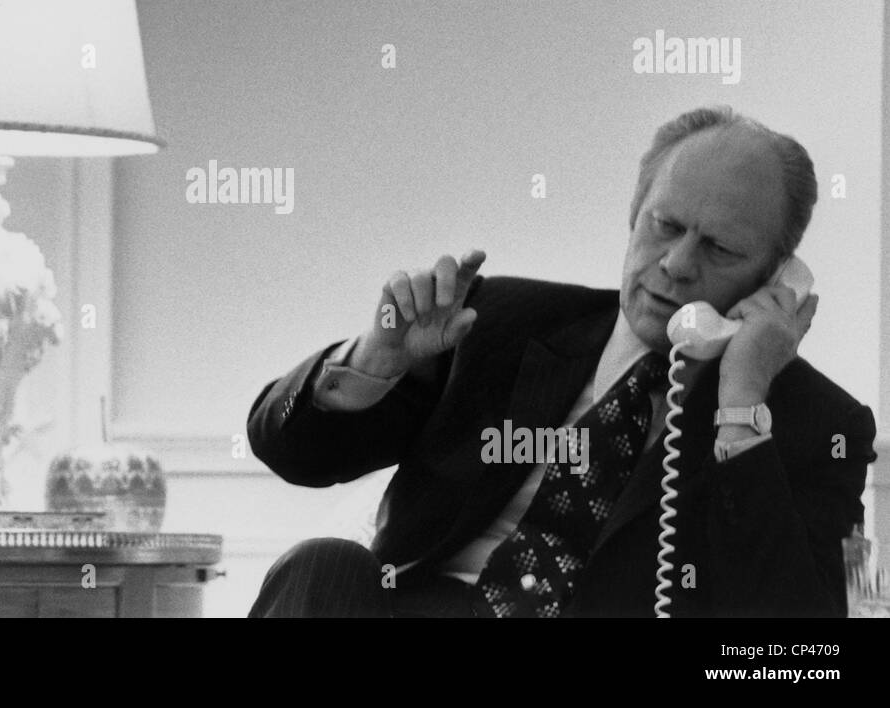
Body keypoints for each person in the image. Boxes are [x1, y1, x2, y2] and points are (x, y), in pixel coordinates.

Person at [247, 106, 877, 617]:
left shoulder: (818, 424)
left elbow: (795, 657)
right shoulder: (500, 323)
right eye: (664, 226)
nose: (677, 264)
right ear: (634, 214)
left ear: (775, 278)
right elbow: (292, 452)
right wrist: (374, 359)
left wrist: (741, 403)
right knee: (322, 566)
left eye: (719, 248)